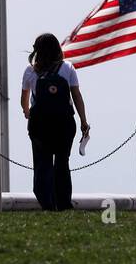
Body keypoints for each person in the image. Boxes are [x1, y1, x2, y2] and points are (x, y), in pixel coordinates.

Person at [20, 34, 89, 211]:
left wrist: (28, 114)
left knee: (42, 164)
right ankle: (64, 203)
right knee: (62, 163)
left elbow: (24, 99)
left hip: (40, 125)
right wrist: (83, 121)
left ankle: (47, 202)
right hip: (64, 123)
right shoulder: (68, 67)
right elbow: (76, 96)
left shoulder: (30, 71)